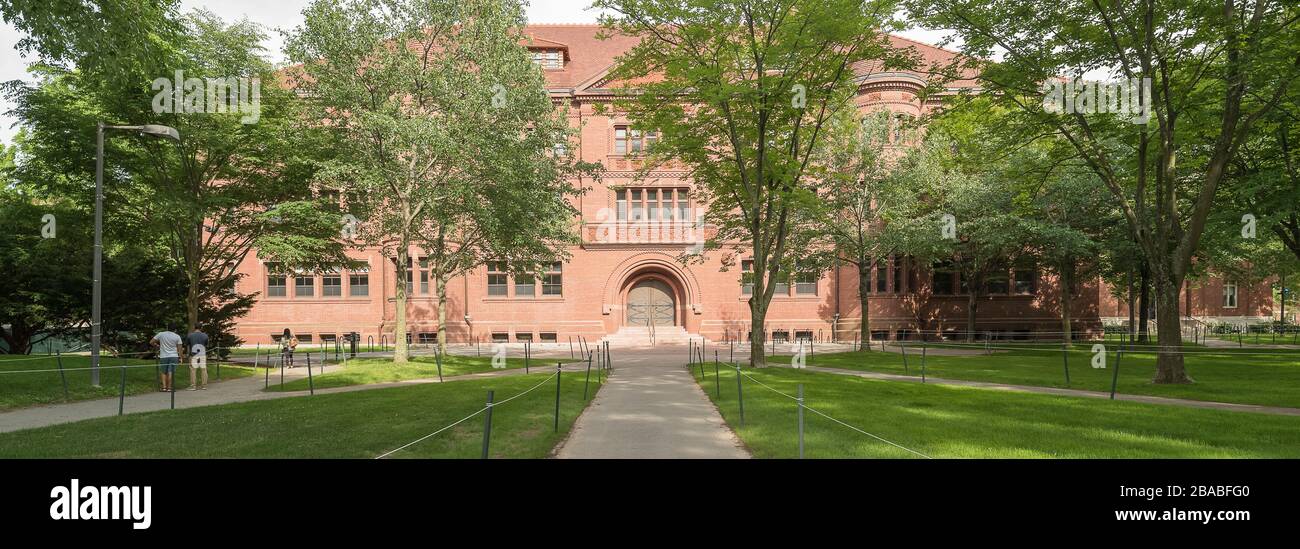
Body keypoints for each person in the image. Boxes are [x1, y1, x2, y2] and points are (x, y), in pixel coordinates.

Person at [150, 324, 184, 392]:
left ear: (167, 328)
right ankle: (169, 388)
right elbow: (180, 348)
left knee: (163, 372)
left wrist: (157, 345)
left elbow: (151, 342)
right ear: (175, 330)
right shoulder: (177, 336)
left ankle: (164, 387)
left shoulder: (161, 334)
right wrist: (181, 357)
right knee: (171, 372)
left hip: (164, 356)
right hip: (174, 356)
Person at [185, 326, 210, 391]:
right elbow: (206, 344)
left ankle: (193, 386)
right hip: (202, 354)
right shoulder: (205, 335)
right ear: (201, 328)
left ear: (194, 328)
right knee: (203, 370)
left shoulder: (190, 335)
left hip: (193, 354)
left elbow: (187, 344)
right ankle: (204, 386)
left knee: (193, 370)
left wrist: (187, 353)